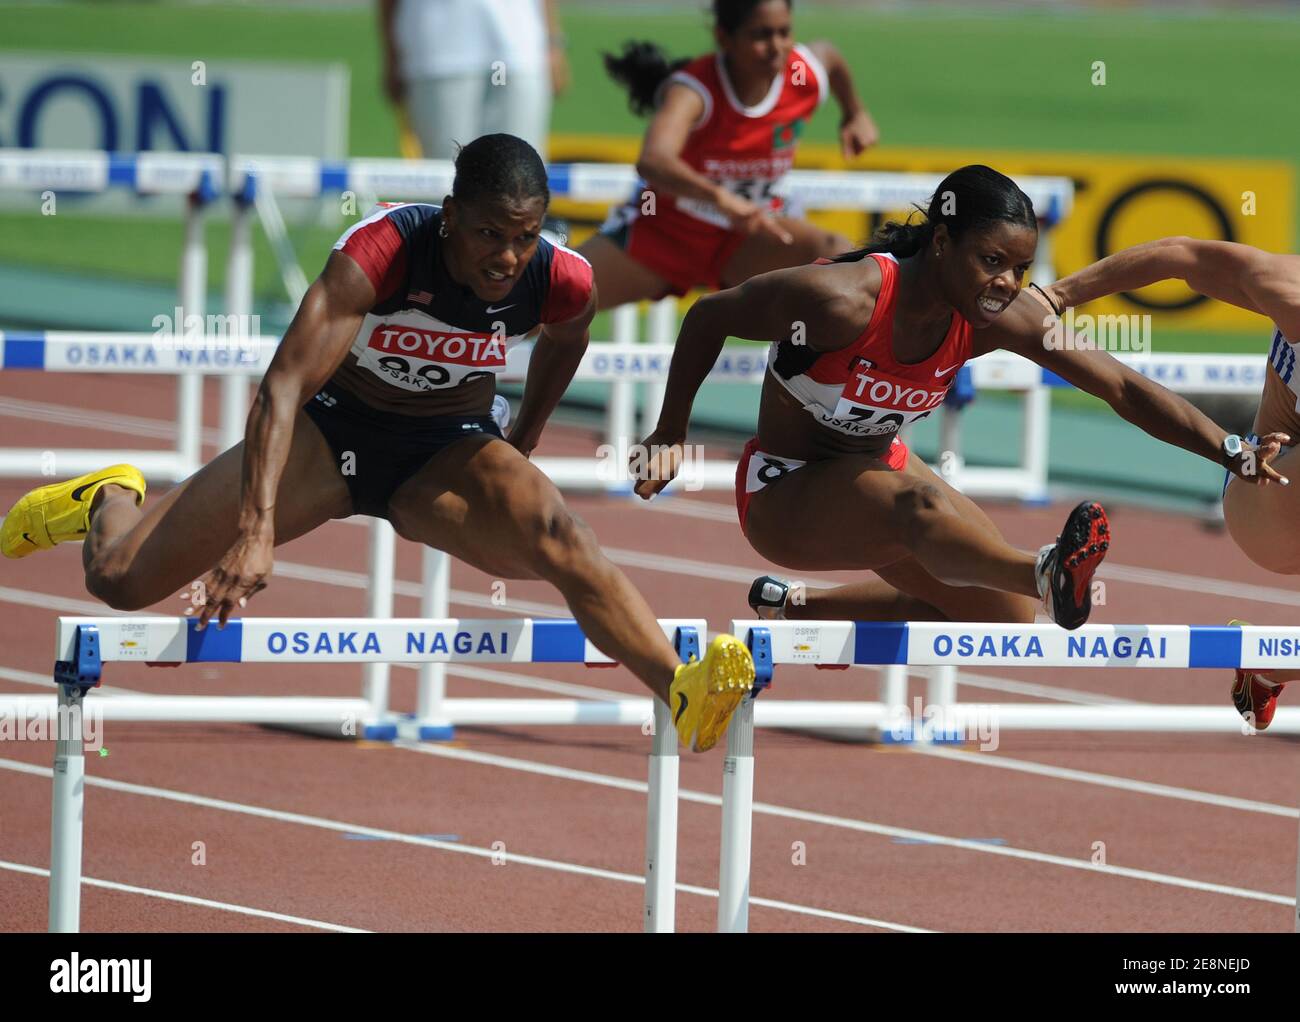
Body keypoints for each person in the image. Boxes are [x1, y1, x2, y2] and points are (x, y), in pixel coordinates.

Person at [1, 134, 753, 754]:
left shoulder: (561, 279)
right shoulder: (382, 252)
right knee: (120, 582)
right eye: (490, 233)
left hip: (443, 451)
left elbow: (567, 339)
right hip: (329, 434)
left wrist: (521, 438)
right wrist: (256, 531)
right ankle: (108, 496)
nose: (506, 257)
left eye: (524, 237)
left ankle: (680, 687)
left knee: (565, 537)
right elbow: (283, 387)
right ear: (453, 215)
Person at [629, 165, 1284, 639]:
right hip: (785, 492)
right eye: (991, 261)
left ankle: (795, 608)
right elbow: (709, 317)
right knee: (925, 507)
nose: (1006, 284)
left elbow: (1121, 386)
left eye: (1020, 270)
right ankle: (1046, 569)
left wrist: (1230, 450)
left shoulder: (998, 316)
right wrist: (668, 433)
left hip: (871, 475)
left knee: (999, 611)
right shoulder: (841, 299)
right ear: (941, 244)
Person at [1039, 237, 1296, 729]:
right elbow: (1182, 255)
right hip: (1263, 496)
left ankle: (1268, 668)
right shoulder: (1288, 288)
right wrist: (1058, 296)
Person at [579, 0, 880, 308]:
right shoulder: (695, 91)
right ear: (725, 39)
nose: (776, 46)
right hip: (665, 237)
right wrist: (722, 199)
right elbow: (653, 160)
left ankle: (802, 354)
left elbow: (829, 56)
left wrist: (854, 112)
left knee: (839, 257)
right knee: (555, 301)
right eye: (761, 35)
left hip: (747, 239)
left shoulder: (803, 75)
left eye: (784, 32)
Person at [378, 0, 568, 160]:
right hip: (437, 51)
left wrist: (553, 43)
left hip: (520, 50)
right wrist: (392, 53)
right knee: (448, 174)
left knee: (520, 172)